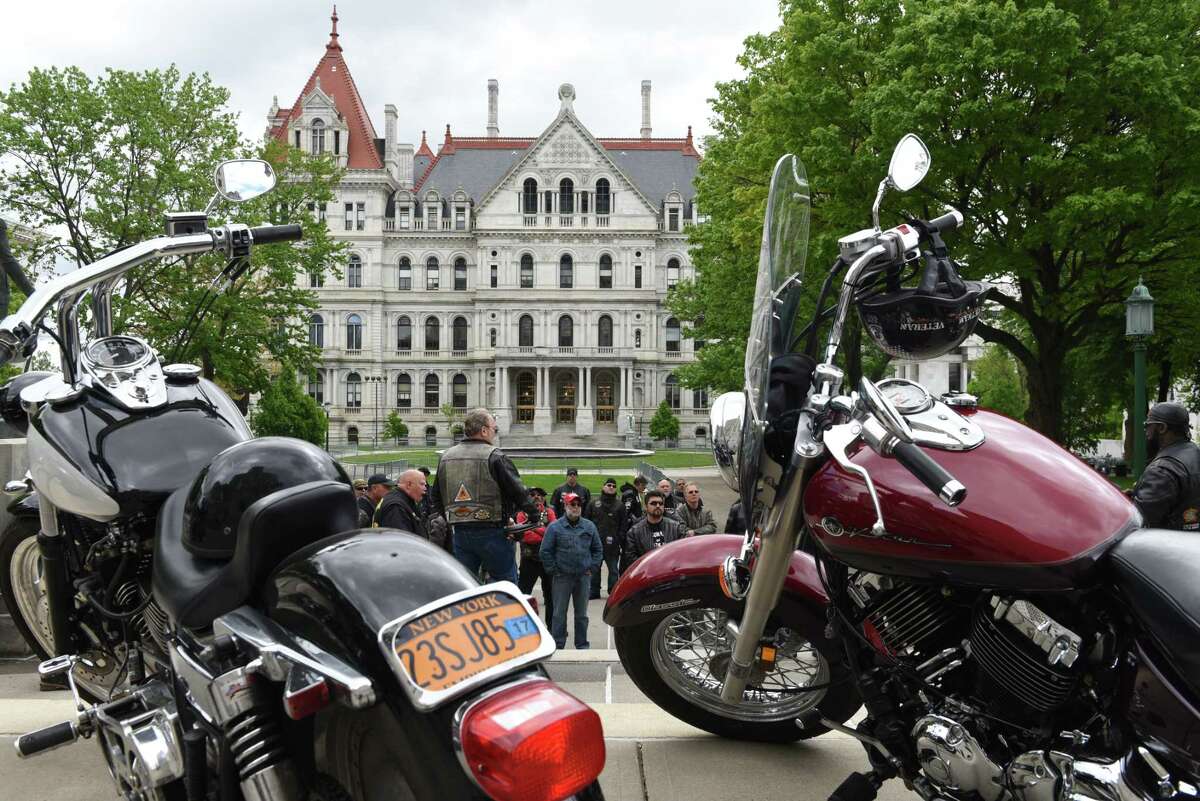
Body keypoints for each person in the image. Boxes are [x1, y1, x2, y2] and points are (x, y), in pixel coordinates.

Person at [435, 408, 536, 583]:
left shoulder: (446, 457)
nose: (494, 434)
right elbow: (517, 491)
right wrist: (534, 514)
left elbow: (436, 496)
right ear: (483, 430)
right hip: (492, 531)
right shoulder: (495, 456)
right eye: (494, 429)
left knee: (465, 584)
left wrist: (448, 518)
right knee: (505, 583)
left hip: (459, 531)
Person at [540, 492, 602, 649]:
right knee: (559, 613)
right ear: (565, 506)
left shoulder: (589, 526)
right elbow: (545, 551)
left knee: (582, 615)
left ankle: (582, 644)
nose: (576, 508)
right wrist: (553, 570)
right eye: (572, 504)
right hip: (562, 577)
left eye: (578, 505)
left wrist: (592, 568)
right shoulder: (554, 527)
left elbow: (598, 550)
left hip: (583, 577)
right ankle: (558, 643)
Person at [1131, 402, 1200, 530]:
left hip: (1172, 546)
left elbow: (1138, 522)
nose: (1146, 432)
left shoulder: (1162, 470)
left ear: (1162, 428)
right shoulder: (1196, 453)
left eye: (1148, 425)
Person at [516, 487, 557, 625]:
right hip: (529, 560)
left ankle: (552, 628)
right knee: (523, 594)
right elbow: (526, 537)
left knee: (551, 597)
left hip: (547, 561)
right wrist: (543, 532)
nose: (536, 497)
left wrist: (533, 527)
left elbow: (552, 533)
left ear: (544, 498)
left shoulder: (550, 512)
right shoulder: (522, 514)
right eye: (532, 495)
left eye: (540, 495)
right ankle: (524, 625)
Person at [587, 478, 627, 597]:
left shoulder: (620, 505)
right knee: (595, 569)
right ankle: (594, 591)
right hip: (595, 544)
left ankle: (613, 592)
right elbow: (586, 522)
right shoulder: (593, 503)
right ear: (603, 487)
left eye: (614, 486)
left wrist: (619, 538)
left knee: (614, 571)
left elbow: (624, 524)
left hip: (613, 545)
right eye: (608, 485)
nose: (611, 487)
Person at [624, 489, 686, 562]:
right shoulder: (634, 532)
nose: (658, 506)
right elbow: (631, 558)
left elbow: (682, 553)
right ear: (646, 507)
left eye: (660, 503)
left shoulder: (676, 528)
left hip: (670, 570)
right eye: (653, 503)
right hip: (647, 571)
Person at [373, 469, 428, 539]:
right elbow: (400, 543)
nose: (425, 488)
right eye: (422, 484)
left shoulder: (403, 500)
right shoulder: (395, 507)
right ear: (409, 484)